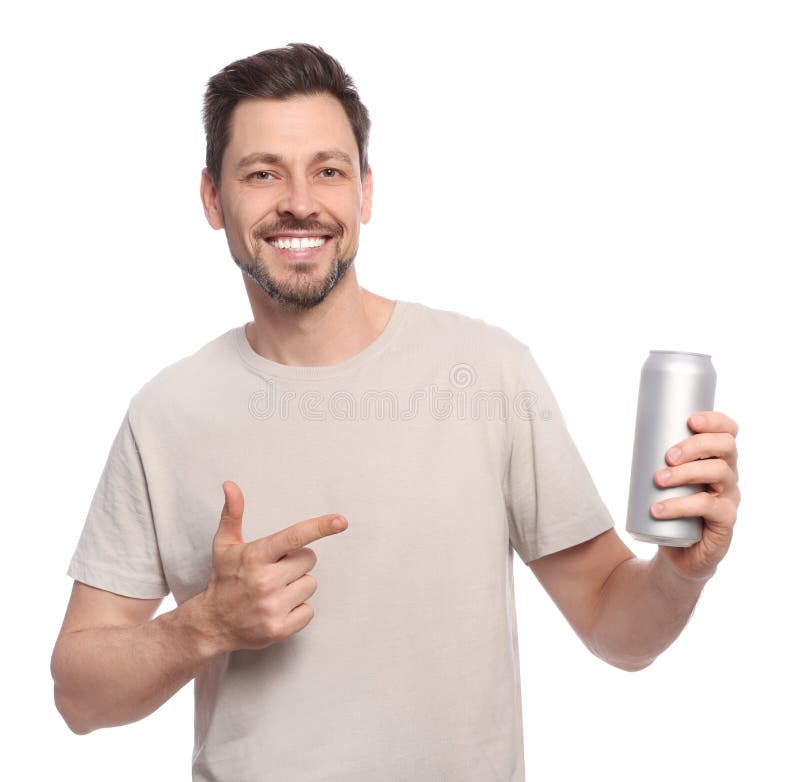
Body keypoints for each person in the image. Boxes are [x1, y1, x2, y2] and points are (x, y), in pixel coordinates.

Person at [50, 43, 741, 781]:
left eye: (329, 170)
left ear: (366, 193)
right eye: (262, 174)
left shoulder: (486, 373)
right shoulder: (166, 414)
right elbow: (77, 696)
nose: (300, 202)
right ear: (213, 199)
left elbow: (617, 629)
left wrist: (680, 574)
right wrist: (204, 626)